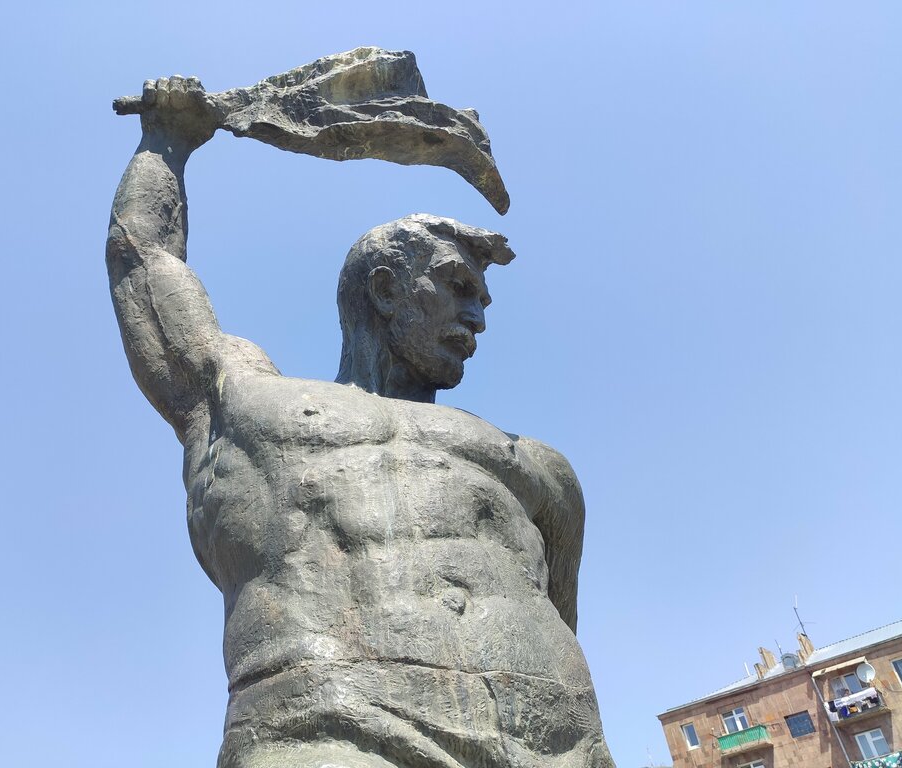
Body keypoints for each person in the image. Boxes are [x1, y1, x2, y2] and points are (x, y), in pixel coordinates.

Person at [107, 76, 615, 768]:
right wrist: (166, 142)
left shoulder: (534, 465)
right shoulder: (252, 405)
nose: (479, 317)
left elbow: (560, 620)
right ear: (385, 288)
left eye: (484, 299)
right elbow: (144, 265)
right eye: (458, 286)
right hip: (330, 735)